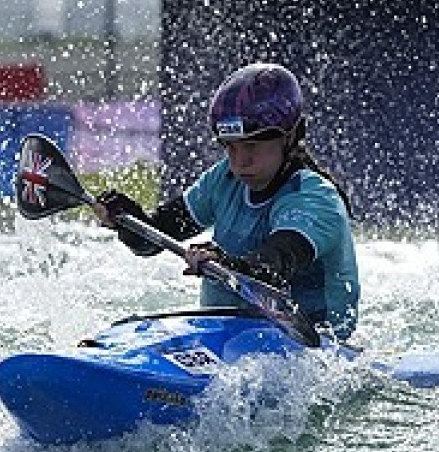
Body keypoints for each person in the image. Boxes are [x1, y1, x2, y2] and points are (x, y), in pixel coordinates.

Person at [94, 63, 360, 341]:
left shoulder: (317, 198)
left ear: (290, 138)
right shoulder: (224, 179)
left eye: (251, 146)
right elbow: (154, 238)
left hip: (314, 351)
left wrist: (224, 261)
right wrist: (127, 219)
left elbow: (273, 265)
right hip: (228, 338)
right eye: (229, 146)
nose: (238, 161)